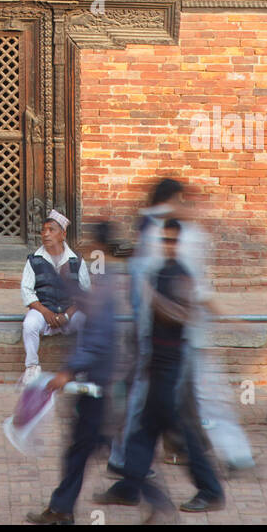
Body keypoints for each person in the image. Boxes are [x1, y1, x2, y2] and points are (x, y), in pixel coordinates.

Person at [99, 220, 225, 515]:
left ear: (178, 243)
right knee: (145, 428)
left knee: (180, 432)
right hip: (156, 363)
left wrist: (153, 298)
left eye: (172, 240)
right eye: (164, 240)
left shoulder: (181, 274)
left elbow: (185, 314)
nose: (167, 245)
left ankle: (210, 490)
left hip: (172, 367)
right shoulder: (158, 272)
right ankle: (130, 485)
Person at [26, 221, 117, 525]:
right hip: (94, 381)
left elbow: (95, 337)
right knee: (84, 449)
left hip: (97, 381)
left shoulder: (102, 282)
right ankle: (62, 508)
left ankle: (149, 494)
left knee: (92, 449)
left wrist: (67, 371)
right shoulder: (97, 277)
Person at [21, 210, 91, 384]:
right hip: (44, 312)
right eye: (43, 230)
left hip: (70, 314)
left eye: (51, 230)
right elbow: (27, 291)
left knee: (86, 321)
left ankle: (81, 368)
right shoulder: (34, 260)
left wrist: (67, 315)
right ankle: (32, 367)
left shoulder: (77, 261)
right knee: (29, 324)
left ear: (63, 234)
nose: (46, 234)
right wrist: (46, 313)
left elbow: (85, 295)